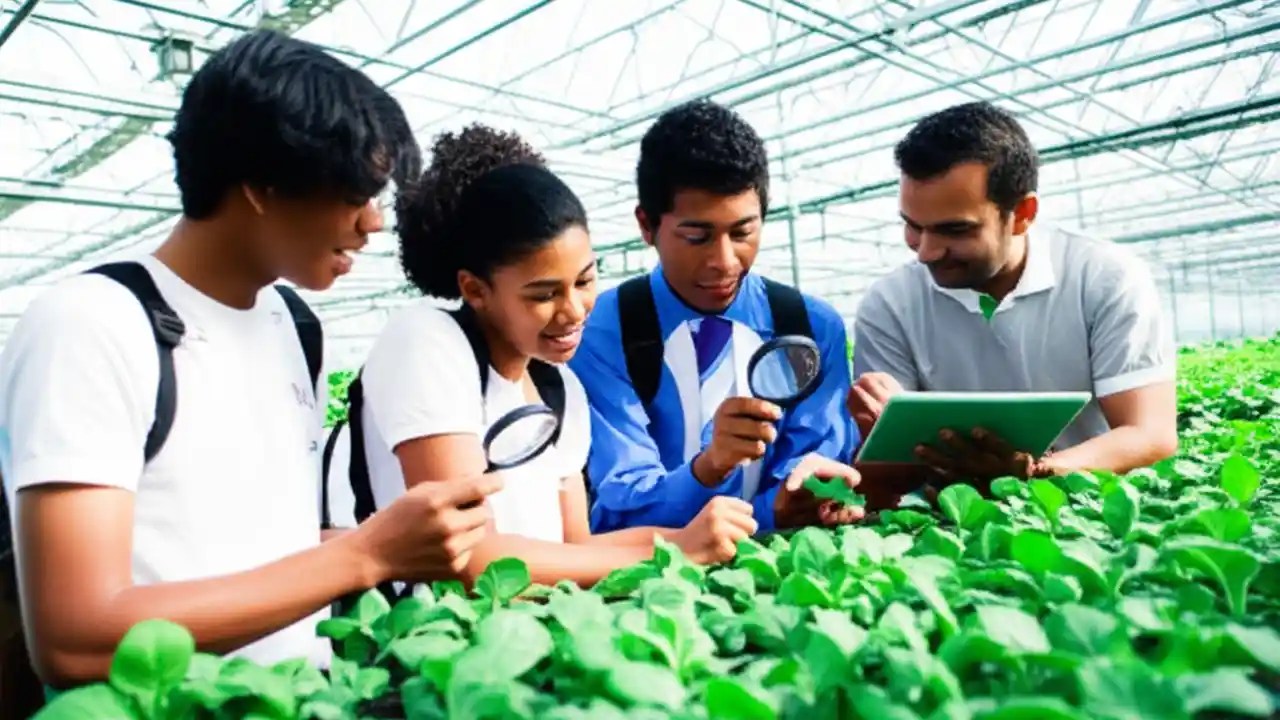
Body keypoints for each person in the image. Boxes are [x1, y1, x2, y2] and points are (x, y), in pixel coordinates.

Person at [0, 30, 503, 693]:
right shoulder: (93, 324)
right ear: (263, 185)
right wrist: (364, 554)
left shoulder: (294, 328)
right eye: (356, 192)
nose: (373, 223)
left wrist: (389, 542)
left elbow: (244, 552)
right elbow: (73, 639)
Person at [322, 124, 758, 590]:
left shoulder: (559, 387)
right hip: (430, 643)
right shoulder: (427, 341)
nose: (573, 311)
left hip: (527, 633)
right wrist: (675, 554)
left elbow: (575, 548)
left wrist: (683, 540)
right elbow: (470, 559)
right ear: (475, 289)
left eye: (585, 281)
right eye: (544, 294)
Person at [849, 101, 1178, 492]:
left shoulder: (1104, 276)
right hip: (953, 520)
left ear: (1023, 213)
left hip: (1088, 506)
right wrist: (883, 430)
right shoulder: (890, 304)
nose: (925, 252)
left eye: (955, 230)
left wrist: (1034, 474)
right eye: (913, 226)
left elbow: (1149, 433)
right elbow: (885, 473)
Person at [569, 99, 863, 535]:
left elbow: (817, 461)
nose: (724, 261)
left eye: (743, 232)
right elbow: (618, 509)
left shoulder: (810, 326)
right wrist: (712, 468)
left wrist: (811, 491)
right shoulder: (604, 331)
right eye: (696, 236)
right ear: (646, 225)